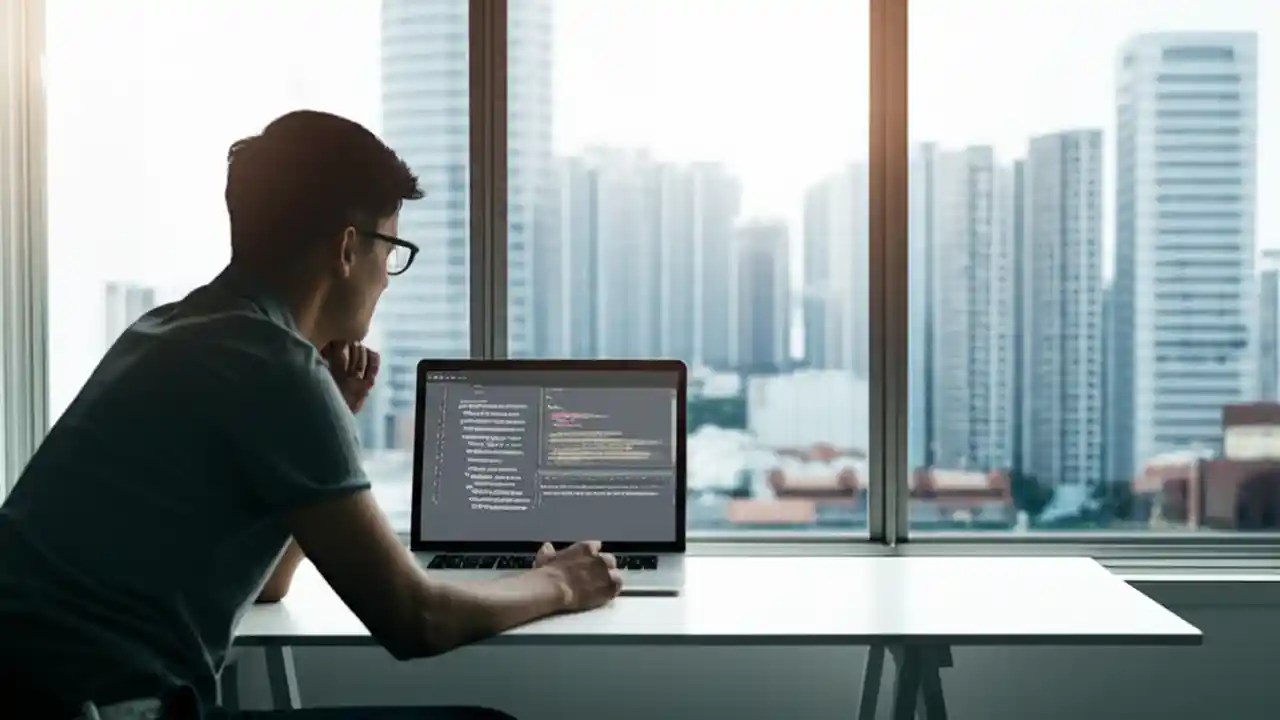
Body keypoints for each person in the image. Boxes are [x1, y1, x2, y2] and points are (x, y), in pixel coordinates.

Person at [0, 110, 622, 719]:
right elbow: (417, 621)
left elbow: (268, 585)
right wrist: (563, 583)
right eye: (393, 248)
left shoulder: (165, 331)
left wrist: (334, 425)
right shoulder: (275, 368)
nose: (388, 278)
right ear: (349, 249)